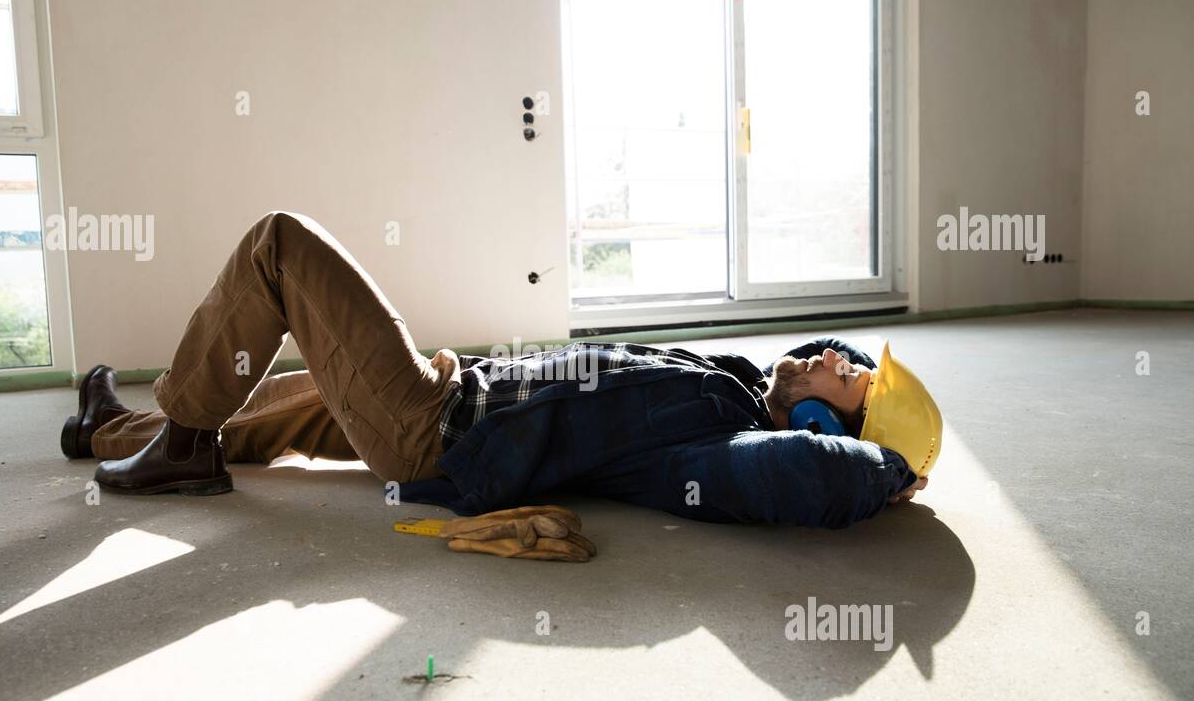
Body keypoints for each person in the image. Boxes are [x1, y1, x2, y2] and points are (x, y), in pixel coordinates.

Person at [62, 211, 937, 528]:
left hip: (437, 429)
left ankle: (178, 442)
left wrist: (889, 466)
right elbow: (809, 377)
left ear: (828, 427)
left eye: (848, 380)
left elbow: (807, 475)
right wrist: (830, 379)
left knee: (281, 246)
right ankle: (114, 426)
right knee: (280, 407)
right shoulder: (737, 383)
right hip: (460, 393)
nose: (833, 355)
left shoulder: (724, 447)